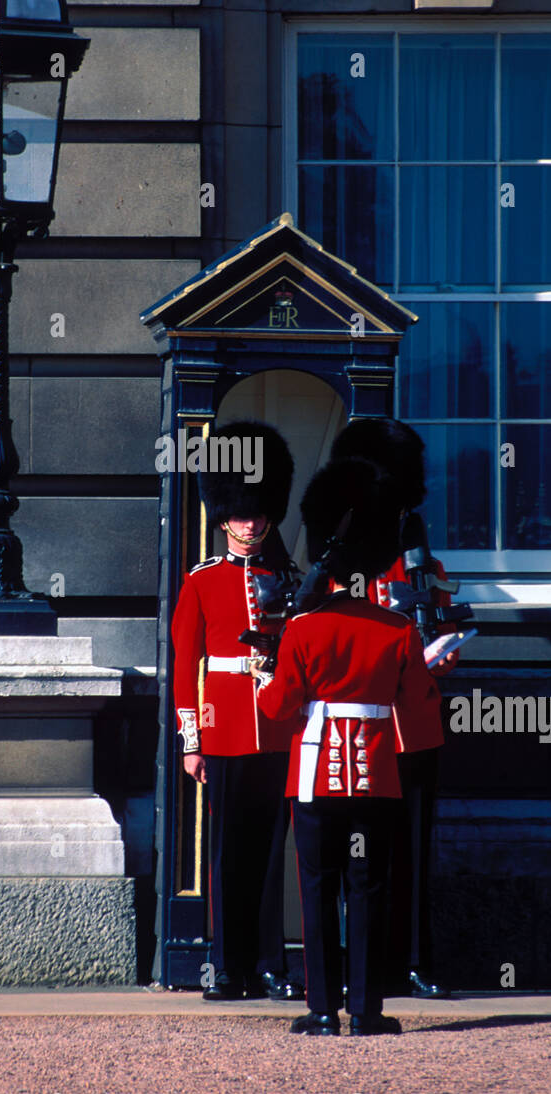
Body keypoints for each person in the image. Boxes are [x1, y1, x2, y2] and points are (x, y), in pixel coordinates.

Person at [254, 456, 444, 1036]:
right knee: (367, 890)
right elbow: (418, 708)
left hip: (314, 779)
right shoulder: (397, 630)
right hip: (376, 781)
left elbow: (277, 707)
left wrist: (266, 675)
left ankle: (320, 1011)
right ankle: (366, 1011)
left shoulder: (303, 629)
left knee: (316, 891)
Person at [171, 419, 304, 1002]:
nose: (250, 523)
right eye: (241, 513)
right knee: (227, 853)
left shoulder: (289, 580)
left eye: (257, 513)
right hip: (223, 731)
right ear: (223, 516)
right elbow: (185, 665)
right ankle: (228, 966)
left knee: (274, 851)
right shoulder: (200, 581)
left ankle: (270, 964)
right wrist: (191, 740)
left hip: (279, 729)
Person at [330, 417, 457, 999]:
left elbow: (451, 622)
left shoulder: (422, 559)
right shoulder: (346, 560)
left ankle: (415, 960)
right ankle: (364, 963)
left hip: (418, 728)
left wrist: (443, 651)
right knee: (361, 853)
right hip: (364, 730)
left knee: (413, 846)